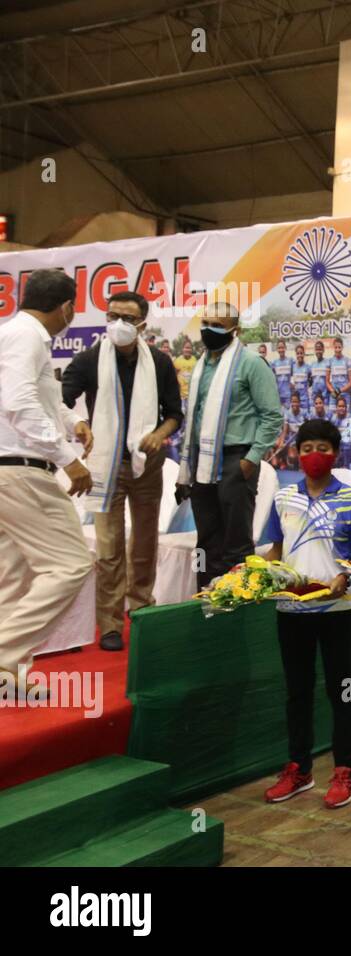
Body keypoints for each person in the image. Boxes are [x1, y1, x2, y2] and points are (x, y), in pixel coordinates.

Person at [61, 291, 184, 651]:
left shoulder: (159, 362)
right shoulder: (88, 360)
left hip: (147, 463)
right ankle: (110, 623)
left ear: (142, 324)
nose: (118, 324)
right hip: (104, 463)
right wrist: (79, 423)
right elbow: (61, 401)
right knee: (109, 547)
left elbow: (175, 413)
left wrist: (158, 436)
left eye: (127, 319)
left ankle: (142, 609)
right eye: (112, 316)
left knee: (145, 542)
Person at [262, 418, 351, 810]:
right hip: (291, 609)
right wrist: (261, 576)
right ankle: (299, 769)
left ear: (335, 453)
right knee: (297, 692)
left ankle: (345, 771)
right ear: (297, 453)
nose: (313, 456)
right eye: (305, 449)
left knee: (341, 691)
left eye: (321, 448)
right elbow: (275, 550)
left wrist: (347, 573)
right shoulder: (283, 499)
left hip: (338, 609)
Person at [0, 269, 95, 689]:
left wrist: (73, 421)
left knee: (15, 575)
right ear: (66, 307)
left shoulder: (19, 333)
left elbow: (40, 398)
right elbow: (18, 402)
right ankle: (2, 653)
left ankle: (7, 675)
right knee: (71, 564)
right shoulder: (26, 337)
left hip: (10, 470)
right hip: (23, 469)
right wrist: (67, 458)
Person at [176, 302, 283, 588]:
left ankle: (238, 599)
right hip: (202, 462)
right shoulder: (200, 366)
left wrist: (252, 458)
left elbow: (272, 417)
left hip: (237, 459)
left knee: (236, 539)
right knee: (206, 538)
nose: (209, 329)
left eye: (218, 325)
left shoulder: (251, 363)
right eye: (205, 322)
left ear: (235, 330)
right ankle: (203, 591)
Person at [274, 391, 306, 469]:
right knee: (292, 456)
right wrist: (282, 442)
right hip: (292, 442)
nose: (294, 404)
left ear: (299, 402)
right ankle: (284, 460)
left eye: (296, 402)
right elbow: (285, 431)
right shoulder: (288, 413)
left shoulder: (304, 413)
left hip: (301, 442)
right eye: (293, 402)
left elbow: (307, 429)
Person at [332, 395, 351, 470]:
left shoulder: (350, 419)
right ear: (336, 407)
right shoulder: (333, 419)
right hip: (338, 447)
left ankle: (346, 466)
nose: (341, 408)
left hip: (349, 448)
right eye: (339, 406)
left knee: (346, 441)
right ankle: (338, 461)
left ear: (346, 408)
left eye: (343, 406)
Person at [326, 337, 351, 402]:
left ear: (342, 347)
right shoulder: (330, 361)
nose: (337, 349)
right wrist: (334, 392)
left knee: (346, 412)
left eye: (339, 347)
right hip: (334, 395)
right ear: (333, 347)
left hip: (345, 394)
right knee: (333, 412)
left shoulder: (347, 360)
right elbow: (327, 381)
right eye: (336, 347)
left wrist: (340, 391)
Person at [271, 340, 293, 409]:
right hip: (278, 394)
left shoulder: (290, 360)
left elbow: (294, 373)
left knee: (287, 415)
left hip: (288, 394)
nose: (281, 349)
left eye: (282, 347)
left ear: (285, 348)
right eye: (279, 348)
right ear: (277, 349)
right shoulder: (274, 363)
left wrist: (292, 384)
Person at [289, 343, 311, 412]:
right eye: (298, 353)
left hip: (305, 400)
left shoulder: (308, 367)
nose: (300, 355)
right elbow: (287, 378)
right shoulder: (293, 366)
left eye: (301, 353)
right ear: (296, 354)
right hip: (295, 401)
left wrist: (308, 387)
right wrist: (292, 386)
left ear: (304, 354)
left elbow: (312, 381)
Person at [308, 339, 330, 407]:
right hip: (314, 398)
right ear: (315, 351)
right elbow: (309, 382)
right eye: (317, 349)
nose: (318, 351)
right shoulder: (312, 365)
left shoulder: (328, 363)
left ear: (323, 350)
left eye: (320, 349)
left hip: (325, 398)